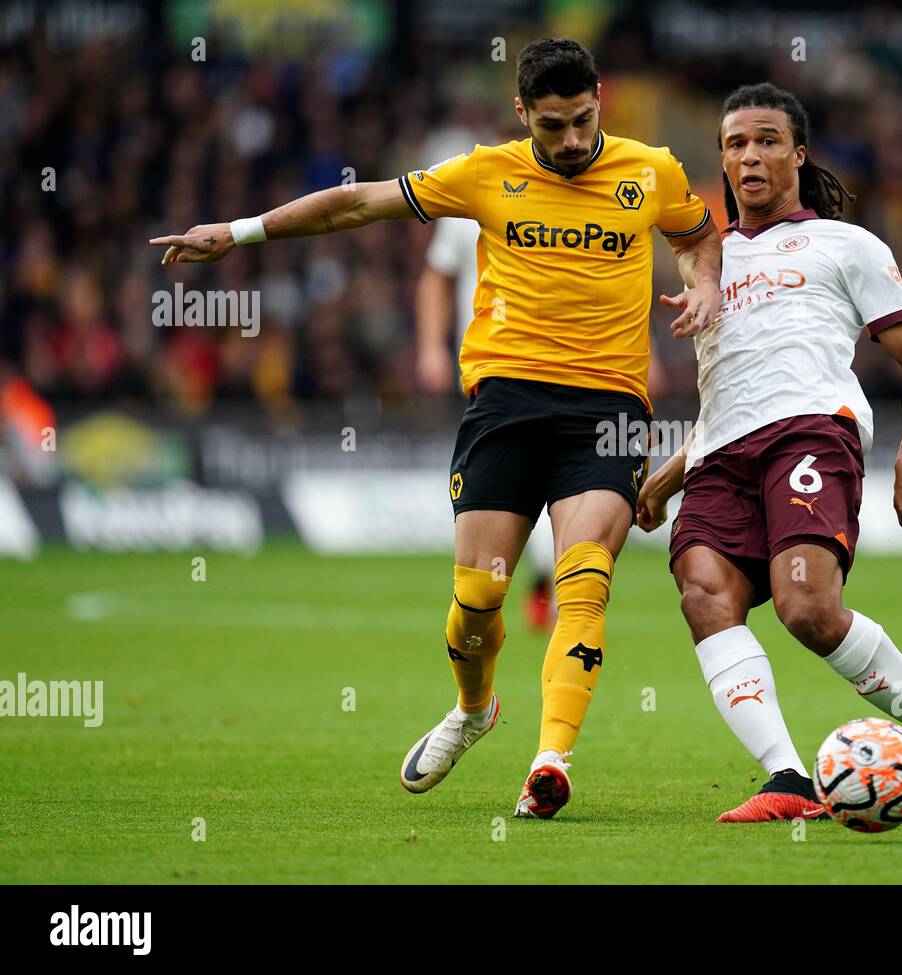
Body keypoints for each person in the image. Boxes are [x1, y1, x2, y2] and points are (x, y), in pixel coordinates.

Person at [151, 38, 721, 819]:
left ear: (600, 100)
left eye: (583, 121)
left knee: (583, 580)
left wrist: (707, 285)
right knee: (478, 595)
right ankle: (475, 708)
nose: (570, 142)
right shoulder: (484, 173)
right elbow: (356, 203)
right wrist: (241, 231)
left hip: (608, 409)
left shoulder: (651, 169)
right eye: (552, 127)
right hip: (505, 407)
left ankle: (551, 759)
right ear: (523, 114)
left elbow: (697, 238)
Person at [635, 83, 902, 823]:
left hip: (809, 435)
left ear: (797, 153)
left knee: (807, 609)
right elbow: (728, 394)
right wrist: (667, 480)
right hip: (720, 456)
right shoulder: (707, 261)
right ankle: (789, 780)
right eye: (734, 143)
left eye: (765, 140)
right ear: (722, 161)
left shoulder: (848, 245)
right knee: (703, 594)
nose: (749, 155)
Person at [415, 214, 558, 632]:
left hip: (561, 372)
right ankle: (520, 586)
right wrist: (430, 348)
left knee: (556, 480)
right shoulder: (470, 194)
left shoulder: (571, 190)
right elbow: (436, 277)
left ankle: (545, 583)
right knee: (504, 487)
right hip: (489, 377)